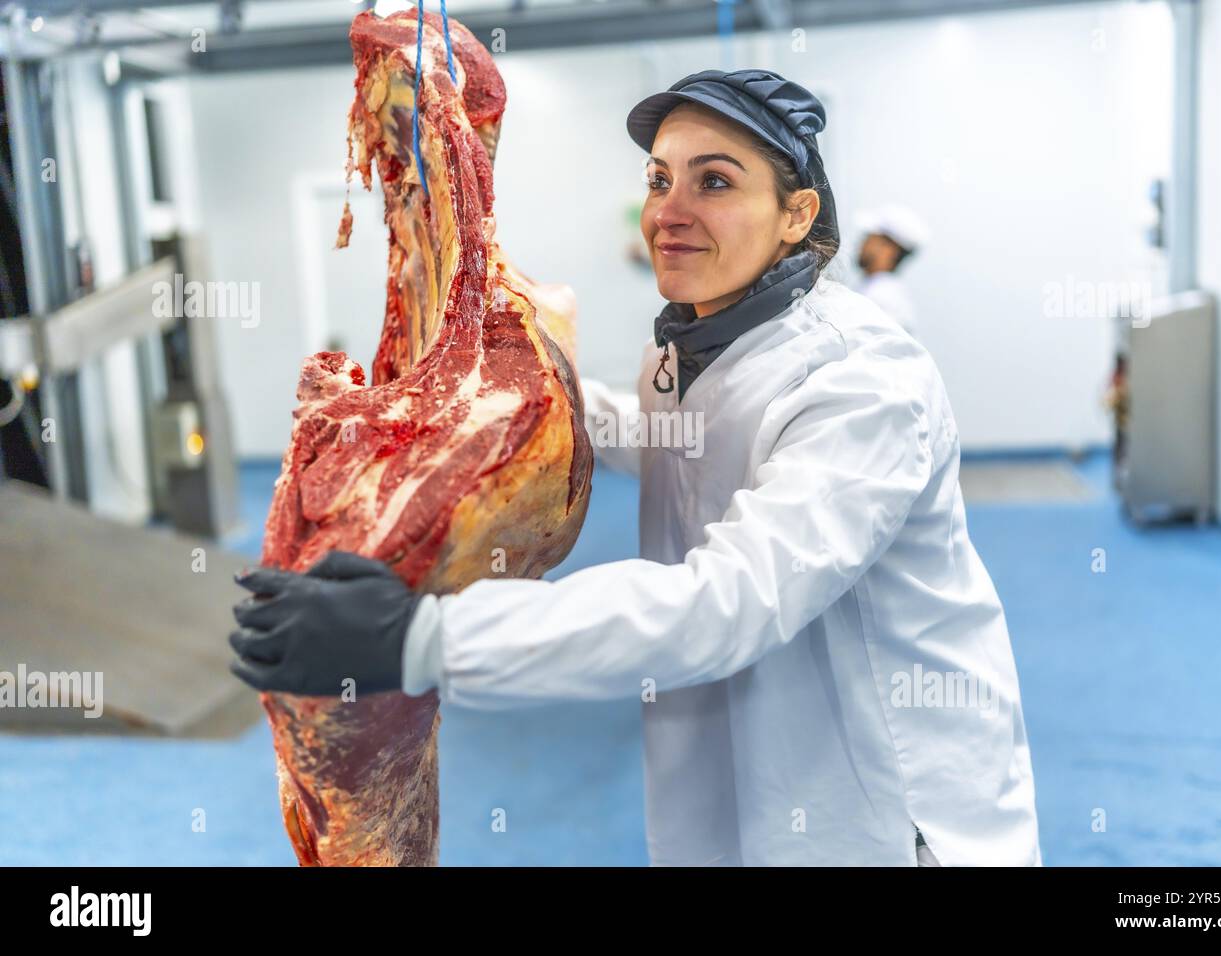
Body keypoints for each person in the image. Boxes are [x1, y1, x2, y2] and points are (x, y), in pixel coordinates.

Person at [230, 69, 1041, 867]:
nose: (669, 212)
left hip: (885, 816)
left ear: (798, 214)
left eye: (714, 181)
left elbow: (729, 599)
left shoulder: (858, 380)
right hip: (742, 779)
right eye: (659, 179)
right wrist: (498, 390)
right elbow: (670, 437)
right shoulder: (689, 349)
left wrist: (421, 640)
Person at [852, 204, 931, 337]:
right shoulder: (883, 293)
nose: (862, 243)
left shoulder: (879, 298)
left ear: (887, 250)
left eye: (869, 236)